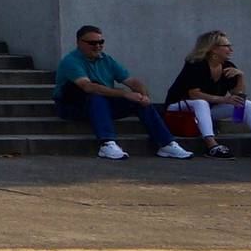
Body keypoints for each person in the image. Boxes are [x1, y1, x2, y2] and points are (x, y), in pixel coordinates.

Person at [55, 24, 190, 159]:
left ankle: (166, 143)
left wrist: (143, 96)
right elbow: (88, 87)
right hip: (73, 106)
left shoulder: (106, 59)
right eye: (92, 43)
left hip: (102, 106)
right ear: (79, 43)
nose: (97, 46)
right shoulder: (71, 61)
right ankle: (107, 143)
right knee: (96, 96)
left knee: (139, 102)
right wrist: (125, 93)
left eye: (101, 42)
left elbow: (132, 82)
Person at [161, 30, 251, 158]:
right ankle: (212, 146)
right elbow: (194, 95)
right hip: (178, 109)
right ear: (213, 49)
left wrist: (240, 77)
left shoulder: (227, 66)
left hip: (205, 109)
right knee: (201, 102)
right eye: (227, 46)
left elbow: (237, 95)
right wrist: (224, 99)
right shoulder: (196, 64)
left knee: (246, 104)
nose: (231, 49)